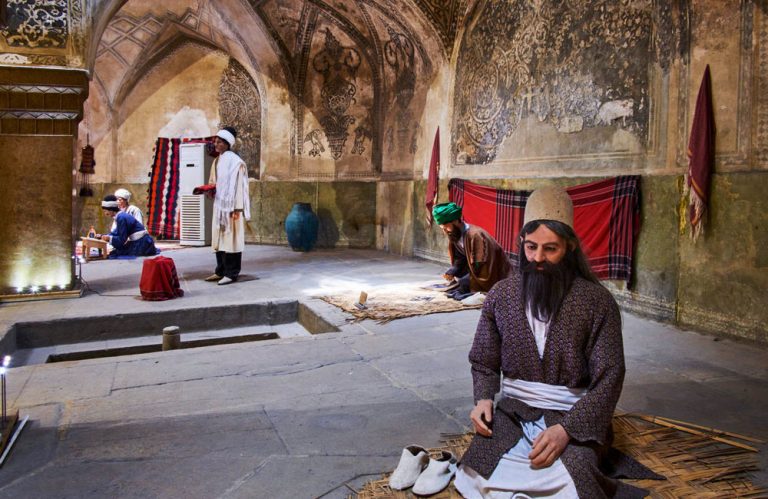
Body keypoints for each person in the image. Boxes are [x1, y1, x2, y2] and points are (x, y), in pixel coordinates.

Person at [454, 187, 655, 498]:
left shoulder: (596, 303)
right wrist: (483, 399)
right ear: (521, 243)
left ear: (570, 247)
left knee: (573, 474)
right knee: (474, 468)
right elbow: (484, 358)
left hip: (573, 414)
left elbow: (609, 378)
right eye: (531, 247)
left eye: (551, 249)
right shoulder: (501, 297)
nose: (538, 259)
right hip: (514, 412)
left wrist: (566, 431)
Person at [432, 202, 512, 300]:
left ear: (456, 221)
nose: (445, 231)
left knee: (461, 286)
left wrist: (465, 279)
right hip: (475, 269)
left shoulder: (475, 235)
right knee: (457, 286)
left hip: (492, 272)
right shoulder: (455, 234)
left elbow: (480, 264)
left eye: (446, 227)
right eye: (442, 228)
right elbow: (460, 258)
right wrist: (452, 271)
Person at [204, 127, 250, 285]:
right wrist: (209, 189)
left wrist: (237, 209)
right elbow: (213, 181)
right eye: (215, 141)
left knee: (231, 240)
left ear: (227, 143)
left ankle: (231, 273)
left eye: (219, 142)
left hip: (232, 208)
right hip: (220, 206)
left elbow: (240, 187)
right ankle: (220, 270)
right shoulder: (217, 160)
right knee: (219, 238)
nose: (216, 144)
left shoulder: (236, 162)